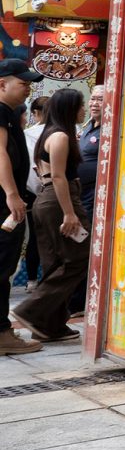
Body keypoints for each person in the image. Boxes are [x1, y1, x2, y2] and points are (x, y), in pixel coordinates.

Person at [12, 89, 86, 342]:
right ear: (69, 108)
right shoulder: (60, 136)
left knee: (54, 262)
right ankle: (31, 310)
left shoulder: (48, 133)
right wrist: (69, 213)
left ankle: (49, 326)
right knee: (79, 257)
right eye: (81, 105)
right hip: (59, 201)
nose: (84, 110)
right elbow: (58, 176)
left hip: (47, 200)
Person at [0, 60, 42, 354]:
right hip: (4, 205)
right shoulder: (1, 111)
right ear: (2, 84)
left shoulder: (10, 113)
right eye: (23, 83)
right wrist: (12, 194)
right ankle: (2, 334)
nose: (28, 89)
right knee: (2, 268)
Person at [68, 86, 106, 317]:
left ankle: (80, 301)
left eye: (100, 99)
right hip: (80, 196)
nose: (94, 104)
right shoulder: (88, 127)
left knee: (85, 247)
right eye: (92, 99)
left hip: (95, 198)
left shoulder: (109, 129)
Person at [10, 96, 46, 291]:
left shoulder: (26, 134)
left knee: (34, 236)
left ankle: (32, 280)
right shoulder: (26, 135)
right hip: (37, 193)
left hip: (29, 193)